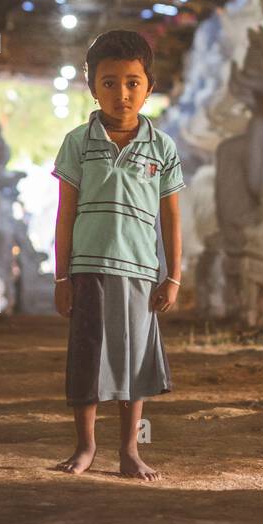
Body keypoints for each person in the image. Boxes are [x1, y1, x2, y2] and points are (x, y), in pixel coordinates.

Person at [51, 29, 184, 480]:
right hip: (88, 270)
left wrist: (173, 276)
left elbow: (170, 219)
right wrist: (61, 277)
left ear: (149, 87)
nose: (121, 94)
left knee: (133, 363)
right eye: (109, 82)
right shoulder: (77, 142)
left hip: (140, 272)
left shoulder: (162, 148)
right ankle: (85, 447)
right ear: (92, 87)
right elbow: (65, 215)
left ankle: (129, 451)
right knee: (87, 357)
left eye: (132, 82)